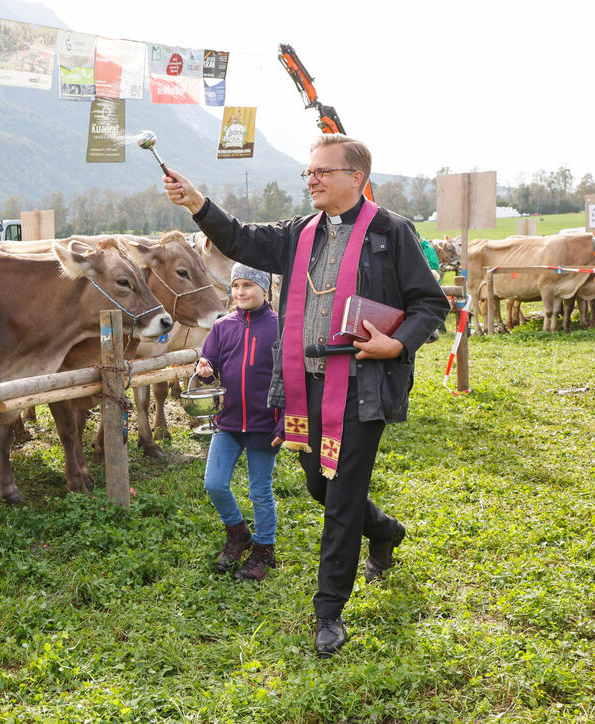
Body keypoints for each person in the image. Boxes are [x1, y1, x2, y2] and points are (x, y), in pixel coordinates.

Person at [164, 134, 449, 658]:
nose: (311, 179)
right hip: (301, 384)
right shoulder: (299, 233)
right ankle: (384, 531)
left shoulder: (391, 233)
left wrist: (396, 344)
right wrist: (198, 203)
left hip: (361, 386)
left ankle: (328, 612)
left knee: (340, 498)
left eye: (322, 171)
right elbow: (242, 239)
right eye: (309, 172)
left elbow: (430, 304)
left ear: (355, 178)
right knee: (320, 485)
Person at [195, 263, 282, 581]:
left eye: (248, 285)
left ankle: (264, 549)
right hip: (228, 423)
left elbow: (292, 380)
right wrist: (205, 370)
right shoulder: (222, 327)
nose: (241, 292)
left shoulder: (279, 327)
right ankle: (238, 533)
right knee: (214, 484)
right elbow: (210, 367)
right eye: (236, 286)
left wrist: (283, 422)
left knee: (260, 491)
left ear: (265, 289)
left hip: (264, 424)